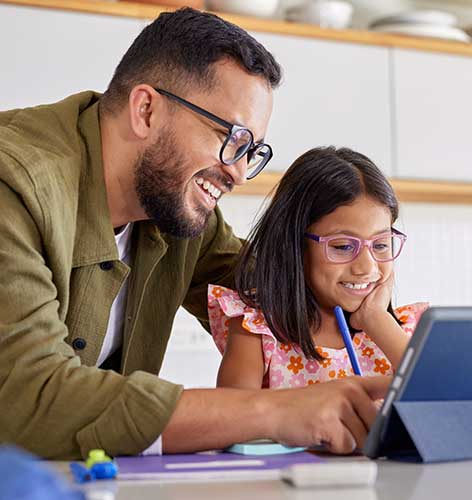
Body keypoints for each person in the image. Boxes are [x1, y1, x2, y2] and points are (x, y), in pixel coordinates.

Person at [0, 9, 389, 460]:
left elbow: (280, 290)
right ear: (146, 109)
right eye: (232, 138)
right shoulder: (15, 185)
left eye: (252, 151)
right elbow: (31, 396)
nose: (240, 173)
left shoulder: (175, 209)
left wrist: (366, 292)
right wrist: (273, 412)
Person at [209, 147, 429, 389]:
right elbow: (233, 421)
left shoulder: (406, 334)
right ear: (294, 245)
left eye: (380, 245)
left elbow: (445, 407)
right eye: (343, 246)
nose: (367, 267)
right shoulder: (258, 331)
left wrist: (376, 320)